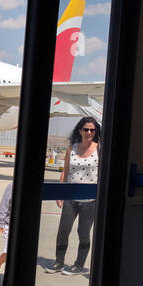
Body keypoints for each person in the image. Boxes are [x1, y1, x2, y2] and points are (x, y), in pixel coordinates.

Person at [47, 117, 99, 275]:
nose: (89, 132)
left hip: (90, 199)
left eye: (92, 130)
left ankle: (79, 265)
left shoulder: (100, 149)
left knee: (83, 233)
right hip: (70, 196)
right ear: (80, 130)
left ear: (95, 132)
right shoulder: (72, 148)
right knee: (63, 230)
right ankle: (59, 261)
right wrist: (60, 193)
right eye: (86, 129)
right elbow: (65, 171)